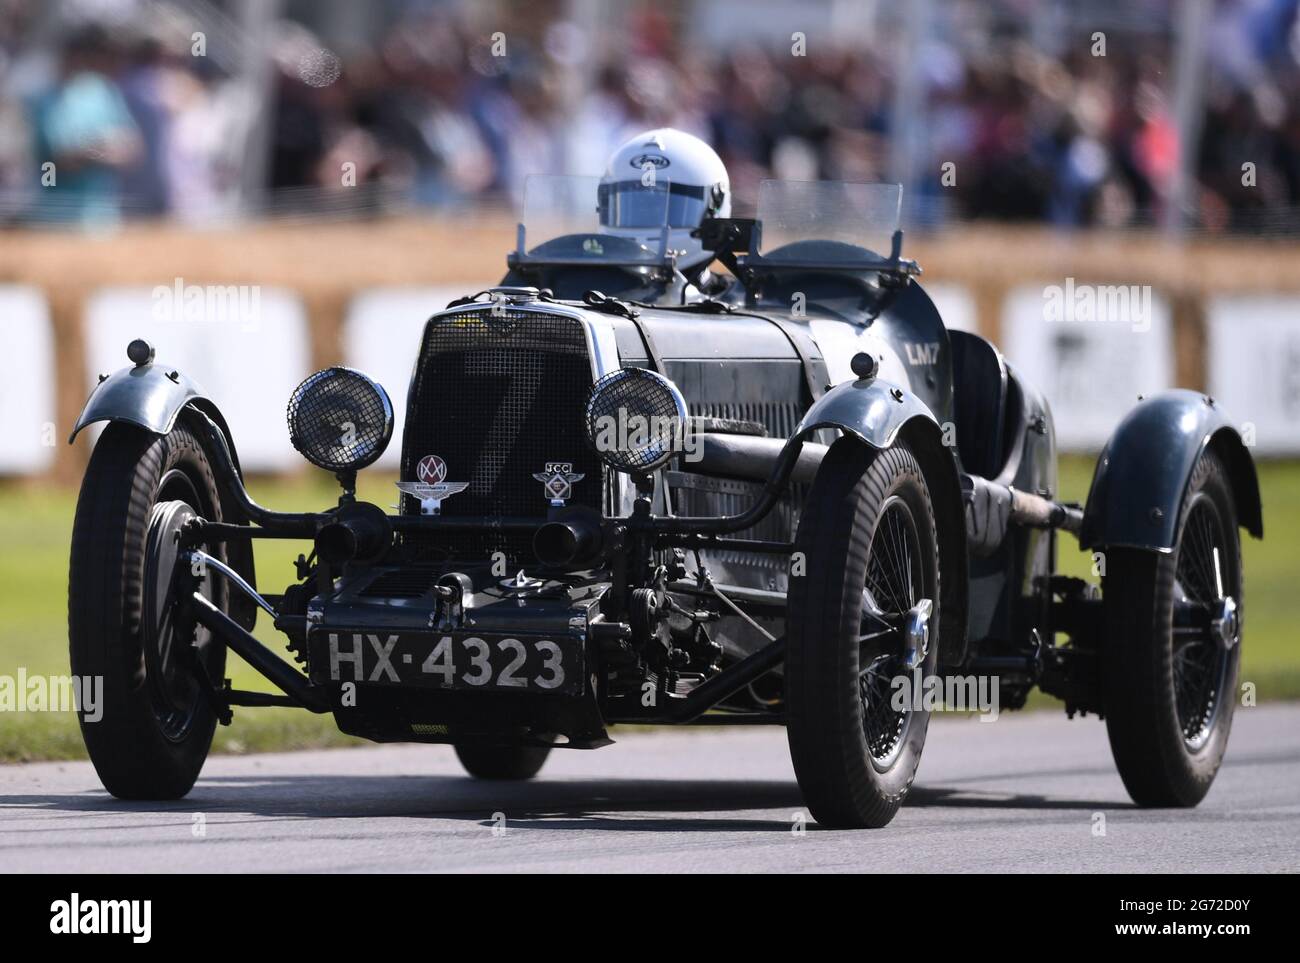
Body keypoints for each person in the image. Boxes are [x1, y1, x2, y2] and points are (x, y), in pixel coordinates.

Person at [597, 127, 732, 296]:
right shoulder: (587, 290)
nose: (647, 215)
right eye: (637, 206)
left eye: (664, 208)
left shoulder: (740, 303)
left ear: (715, 204)